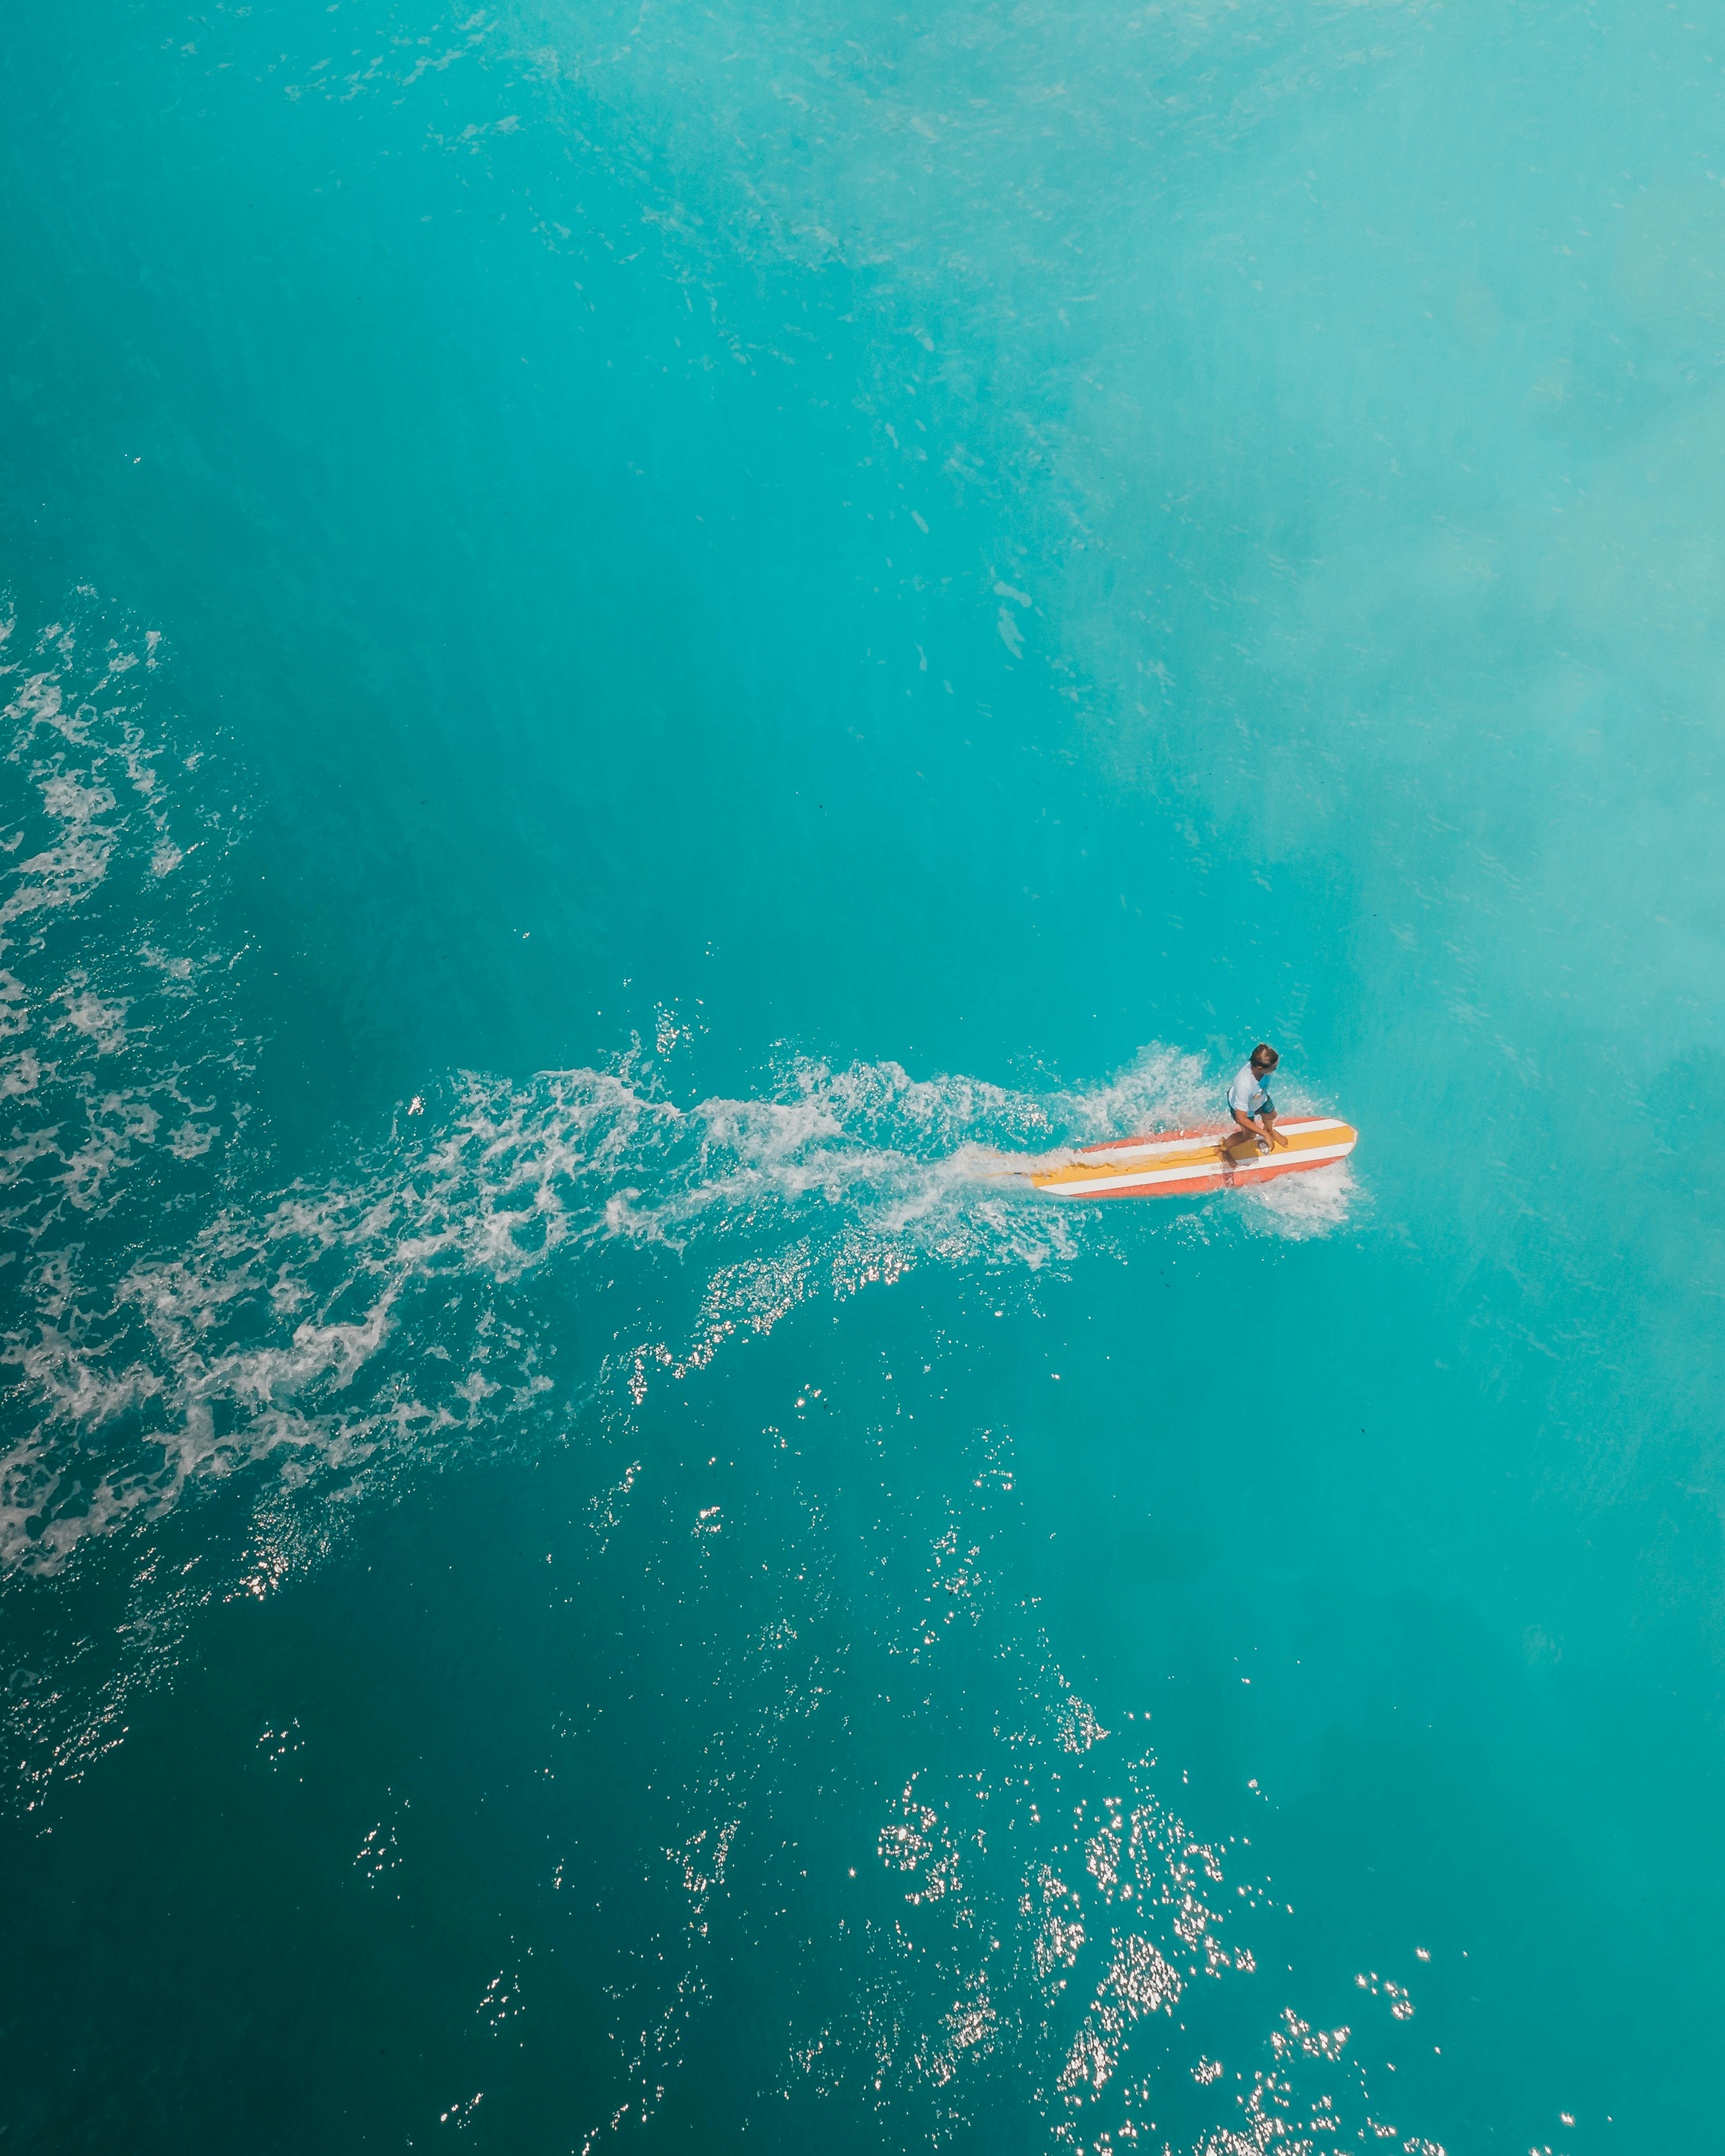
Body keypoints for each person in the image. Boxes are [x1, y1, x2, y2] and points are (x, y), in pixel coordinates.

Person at [1222, 1043, 1285, 1156]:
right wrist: (1264, 1135)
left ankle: (1271, 1131)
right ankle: (1224, 1147)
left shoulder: (1260, 1062)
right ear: (1260, 1068)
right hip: (1244, 1107)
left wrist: (1264, 1047)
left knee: (1271, 1115)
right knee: (1249, 1137)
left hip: (1260, 1098)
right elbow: (1241, 1118)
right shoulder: (1244, 1085)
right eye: (1273, 1068)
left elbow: (1262, 1046)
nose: (1275, 1069)